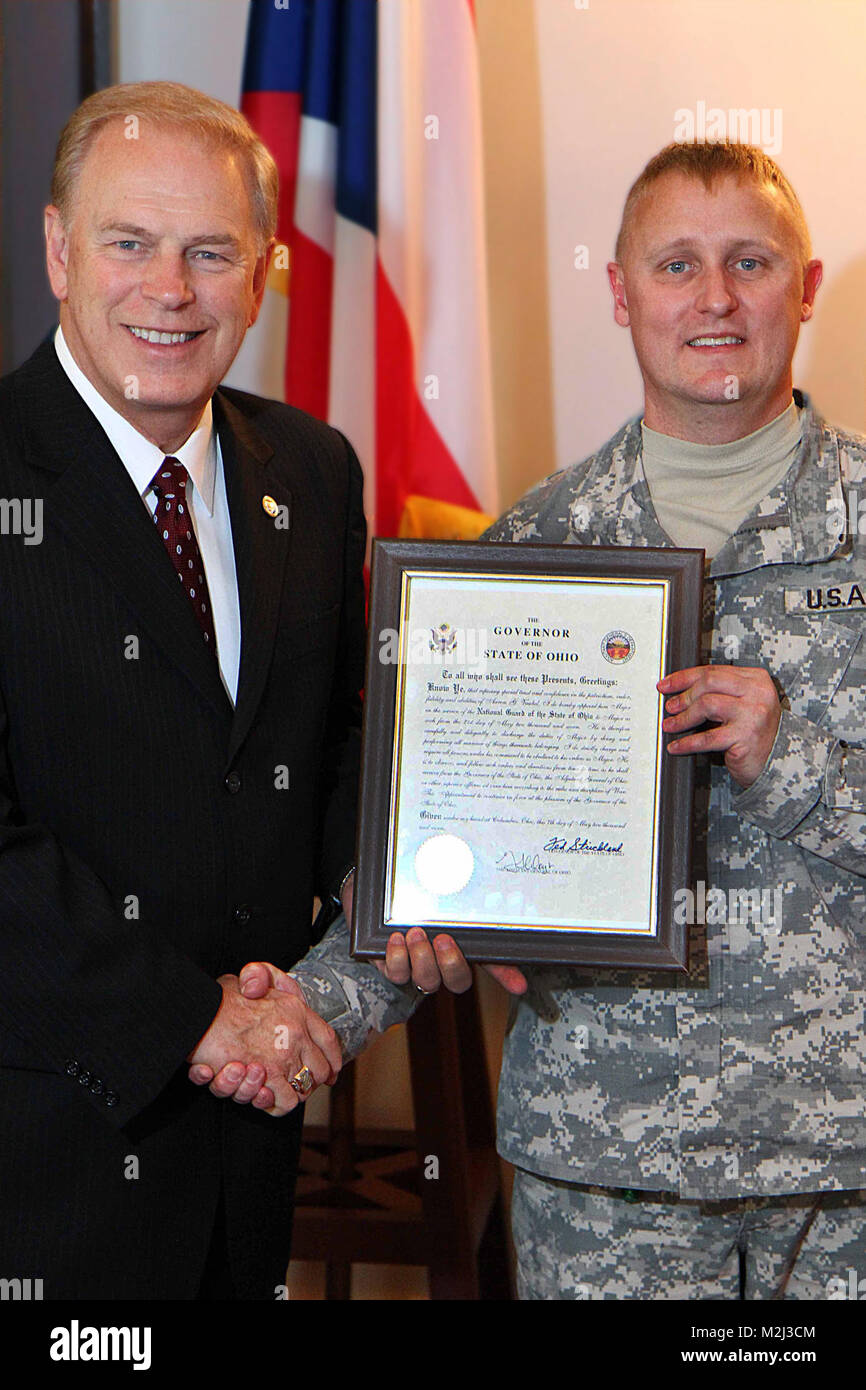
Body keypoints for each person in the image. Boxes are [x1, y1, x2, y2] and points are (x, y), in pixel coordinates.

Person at [228, 140, 866, 1300]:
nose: (713, 299)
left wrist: (800, 759)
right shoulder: (529, 553)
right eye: (675, 264)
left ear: (806, 283)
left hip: (842, 1187)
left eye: (749, 262)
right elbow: (425, 849)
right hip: (603, 1178)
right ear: (619, 293)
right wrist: (307, 1011)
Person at [0, 79, 423, 1302]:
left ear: (265, 270)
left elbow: (342, 737)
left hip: (245, 1161)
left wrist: (407, 884)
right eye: (129, 242)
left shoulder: (312, 468)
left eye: (211, 251)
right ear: (58, 252)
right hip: (42, 1163)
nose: (170, 289)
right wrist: (193, 1020)